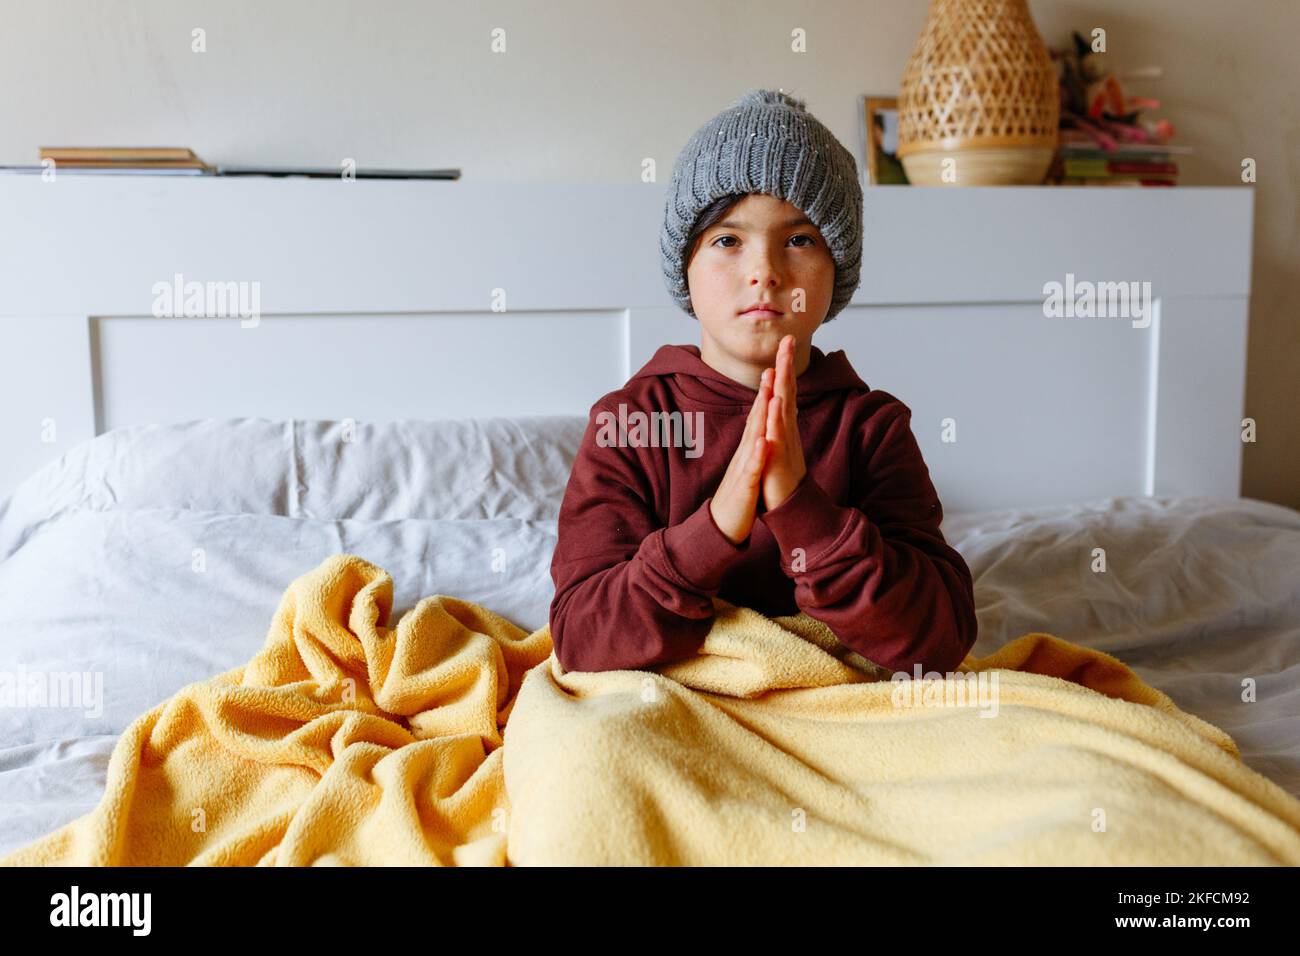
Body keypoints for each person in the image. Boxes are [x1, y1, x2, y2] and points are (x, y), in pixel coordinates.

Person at [548, 88, 977, 674]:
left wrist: (801, 506)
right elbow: (581, 639)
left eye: (800, 240)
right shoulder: (630, 424)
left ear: (837, 270)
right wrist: (719, 522)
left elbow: (938, 641)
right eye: (727, 240)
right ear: (686, 266)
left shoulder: (873, 427)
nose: (765, 274)